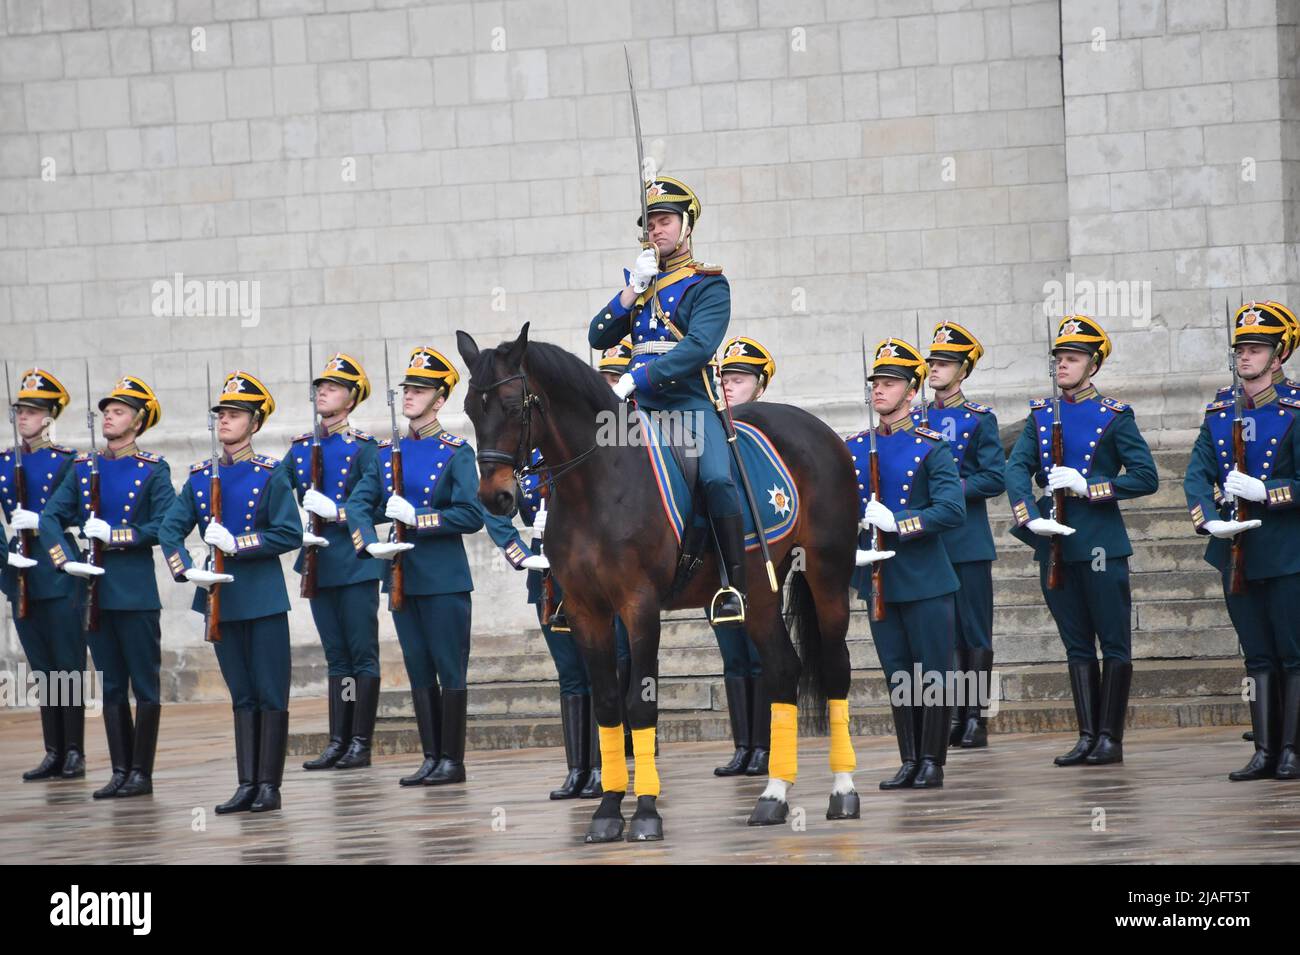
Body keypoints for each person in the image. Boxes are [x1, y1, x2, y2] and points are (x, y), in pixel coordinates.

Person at [588, 175, 747, 627]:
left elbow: (698, 347)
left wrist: (637, 376)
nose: (656, 230)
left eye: (664, 221)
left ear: (687, 226)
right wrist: (631, 291)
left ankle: (733, 585)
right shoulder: (642, 286)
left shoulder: (708, 285)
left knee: (716, 478)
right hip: (641, 413)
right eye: (650, 224)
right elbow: (598, 335)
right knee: (588, 460)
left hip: (688, 406)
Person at [1005, 316, 1158, 766]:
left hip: (1100, 545)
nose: (1062, 366)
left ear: (1093, 365)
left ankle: (1111, 738)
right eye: (1058, 359)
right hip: (1055, 543)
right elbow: (1016, 467)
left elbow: (1145, 476)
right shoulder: (1040, 415)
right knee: (1075, 644)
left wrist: (1091, 485)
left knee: (1112, 643)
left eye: (1072, 359)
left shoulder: (1114, 416)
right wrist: (1029, 517)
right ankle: (1087, 734)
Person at [158, 371, 301, 813]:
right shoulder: (201, 476)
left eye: (235, 414)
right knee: (241, 692)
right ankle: (246, 783)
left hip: (261, 597)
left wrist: (239, 543)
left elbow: (288, 532)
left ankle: (269, 786)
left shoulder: (271, 474)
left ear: (254, 424)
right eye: (221, 412)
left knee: (270, 692)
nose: (225, 419)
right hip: (220, 599)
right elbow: (170, 529)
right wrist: (185, 571)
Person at [346, 346, 484, 787]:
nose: (409, 395)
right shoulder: (387, 452)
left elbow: (471, 513)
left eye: (420, 390)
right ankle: (430, 756)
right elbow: (358, 503)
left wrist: (420, 519)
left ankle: (452, 761)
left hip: (442, 578)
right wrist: (369, 542)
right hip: (401, 575)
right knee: (419, 668)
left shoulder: (456, 451)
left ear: (440, 400)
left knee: (449, 668)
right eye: (407, 388)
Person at [38, 376, 171, 798]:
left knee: (144, 685)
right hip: (93, 592)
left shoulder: (153, 469)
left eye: (118, 411)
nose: (108, 417)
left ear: (138, 420)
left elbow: (164, 525)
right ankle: (119, 771)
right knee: (111, 684)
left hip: (133, 592)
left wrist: (117, 535)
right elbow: (49, 518)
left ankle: (141, 773)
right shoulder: (83, 468)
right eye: (106, 411)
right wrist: (67, 560)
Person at [1184, 302, 1300, 780]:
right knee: (1255, 653)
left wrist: (1269, 493)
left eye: (1256, 349)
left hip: (1286, 548)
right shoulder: (1218, 412)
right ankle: (1264, 750)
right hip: (1236, 550)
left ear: (1279, 357)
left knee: (1293, 653)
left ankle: (1291, 750)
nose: (1245, 356)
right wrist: (1209, 521)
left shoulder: (1295, 410)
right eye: (1241, 349)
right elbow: (1196, 476)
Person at [850, 338, 966, 789]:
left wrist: (898, 521)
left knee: (932, 672)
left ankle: (932, 761)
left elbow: (951, 510)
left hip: (926, 579)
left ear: (912, 391)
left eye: (890, 382)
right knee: (897, 671)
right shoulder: (855, 447)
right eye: (876, 382)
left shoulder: (931, 447)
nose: (879, 389)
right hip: (879, 579)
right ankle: (909, 758)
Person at [911, 323, 1005, 749]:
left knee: (973, 633)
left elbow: (993, 477)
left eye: (944, 363)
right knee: (942, 635)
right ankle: (949, 715)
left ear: (963, 371)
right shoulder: (914, 420)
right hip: (929, 540)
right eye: (932, 362)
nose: (934, 368)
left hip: (966, 538)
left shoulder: (980, 420)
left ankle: (976, 718)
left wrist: (950, 493)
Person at [290, 353, 385, 771]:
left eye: (332, 387)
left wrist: (338, 512)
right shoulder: (299, 449)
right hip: (320, 562)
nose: (322, 392)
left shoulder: (365, 449)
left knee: (361, 655)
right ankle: (338, 738)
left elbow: (380, 505)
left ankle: (360, 741)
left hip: (355, 558)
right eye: (320, 387)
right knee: (336, 657)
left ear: (351, 399)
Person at [1, 368, 84, 781]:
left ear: (50, 416)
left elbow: (78, 513)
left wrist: (43, 520)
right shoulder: (4, 463)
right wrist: (5, 567)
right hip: (22, 576)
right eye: (19, 410)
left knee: (68, 665)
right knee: (43, 668)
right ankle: (53, 749)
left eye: (32, 411)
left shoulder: (68, 462)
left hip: (57, 571)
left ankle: (74, 750)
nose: (23, 417)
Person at [710, 336, 776, 776]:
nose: (729, 387)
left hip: (759, 552)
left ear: (760, 386)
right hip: (718, 557)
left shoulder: (770, 432)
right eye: (725, 379)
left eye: (739, 380)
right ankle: (744, 746)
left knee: (760, 651)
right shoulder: (709, 429)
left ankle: (767, 746)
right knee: (733, 655)